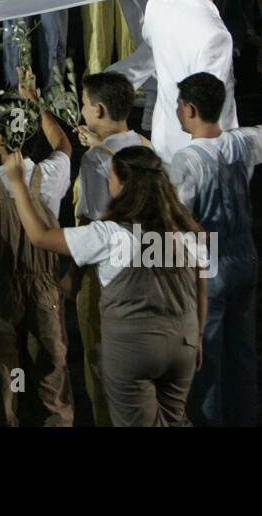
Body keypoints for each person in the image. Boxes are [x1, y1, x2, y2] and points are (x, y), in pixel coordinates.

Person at [8, 145, 207, 426]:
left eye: (111, 178)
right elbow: (201, 291)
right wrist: (197, 339)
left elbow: (40, 237)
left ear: (124, 185)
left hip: (133, 348)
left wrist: (18, 184)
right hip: (183, 344)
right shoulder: (191, 232)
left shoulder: (111, 235)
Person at [168, 61, 262, 426]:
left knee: (207, 363)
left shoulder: (186, 161)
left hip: (210, 268)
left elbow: (175, 223)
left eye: (178, 105)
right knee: (241, 357)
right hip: (245, 258)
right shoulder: (242, 141)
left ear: (189, 109)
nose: (176, 110)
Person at [0, 71, 74, 426]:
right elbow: (64, 146)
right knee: (51, 375)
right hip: (45, 291)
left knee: (4, 380)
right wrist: (35, 102)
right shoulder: (51, 176)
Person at [72, 71, 151, 425]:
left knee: (102, 367)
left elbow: (92, 226)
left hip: (106, 281)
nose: (82, 112)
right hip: (149, 269)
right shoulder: (147, 147)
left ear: (99, 110)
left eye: (85, 106)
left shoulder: (96, 161)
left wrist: (71, 278)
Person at [121, 0, 238, 161]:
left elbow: (149, 40)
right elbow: (212, 102)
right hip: (200, 147)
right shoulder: (217, 36)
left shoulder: (156, 5)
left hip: (164, 134)